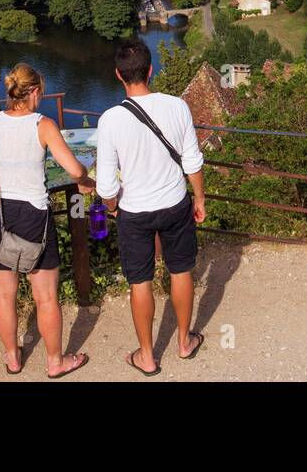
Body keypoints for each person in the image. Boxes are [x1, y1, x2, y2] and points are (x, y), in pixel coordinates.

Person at [0, 62, 93, 379]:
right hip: (35, 216)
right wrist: (86, 178)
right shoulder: (43, 125)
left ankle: (12, 359)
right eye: (42, 93)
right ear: (34, 91)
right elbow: (74, 170)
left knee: (4, 293)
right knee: (46, 296)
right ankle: (55, 362)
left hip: (1, 213)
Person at [92, 41, 206, 375]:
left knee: (139, 281)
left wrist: (113, 207)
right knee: (181, 270)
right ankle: (184, 342)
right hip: (174, 204)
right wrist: (198, 198)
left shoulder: (110, 120)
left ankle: (147, 355)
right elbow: (192, 161)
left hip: (135, 211)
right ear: (151, 70)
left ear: (118, 75)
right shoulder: (177, 106)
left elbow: (107, 186)